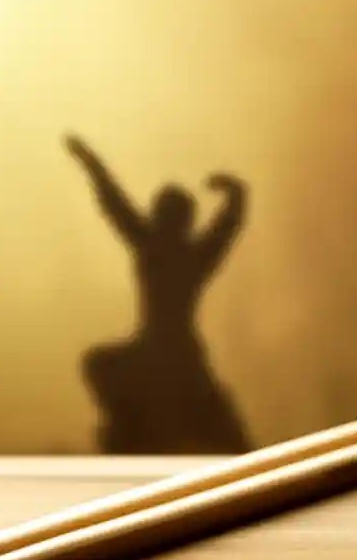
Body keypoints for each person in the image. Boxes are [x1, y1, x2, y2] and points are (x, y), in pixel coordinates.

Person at [66, 133, 252, 453]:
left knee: (218, 424)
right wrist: (235, 194)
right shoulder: (184, 254)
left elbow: (114, 203)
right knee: (98, 365)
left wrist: (90, 162)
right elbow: (114, 202)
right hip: (167, 348)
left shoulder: (160, 250)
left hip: (170, 350)